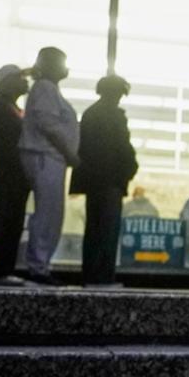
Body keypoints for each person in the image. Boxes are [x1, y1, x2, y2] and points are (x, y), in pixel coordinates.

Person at [69, 75, 137, 287]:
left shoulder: (91, 114)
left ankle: (92, 275)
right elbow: (121, 148)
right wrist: (130, 168)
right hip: (110, 181)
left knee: (95, 229)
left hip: (95, 181)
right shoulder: (112, 115)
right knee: (107, 230)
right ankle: (103, 277)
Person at [19, 46, 79, 286]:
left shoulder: (48, 90)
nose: (66, 68)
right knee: (48, 213)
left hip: (50, 158)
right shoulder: (45, 88)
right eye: (62, 63)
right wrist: (69, 152)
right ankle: (38, 266)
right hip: (45, 156)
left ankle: (41, 264)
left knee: (50, 212)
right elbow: (48, 124)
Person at [0, 65, 31, 285]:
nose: (25, 82)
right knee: (7, 218)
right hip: (7, 170)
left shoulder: (11, 105)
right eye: (20, 78)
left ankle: (4, 268)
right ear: (6, 81)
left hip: (14, 171)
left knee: (13, 219)